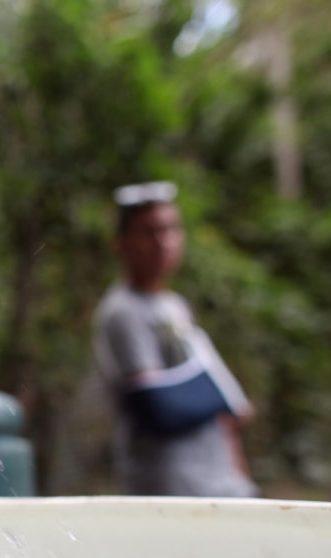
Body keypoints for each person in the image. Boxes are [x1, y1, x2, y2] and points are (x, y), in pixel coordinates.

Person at [92, 181, 257, 497]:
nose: (163, 242)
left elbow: (228, 417)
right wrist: (216, 397)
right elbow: (157, 408)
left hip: (218, 480)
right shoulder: (124, 311)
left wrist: (239, 477)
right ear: (122, 243)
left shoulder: (174, 305)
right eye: (149, 232)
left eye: (170, 229)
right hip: (172, 484)